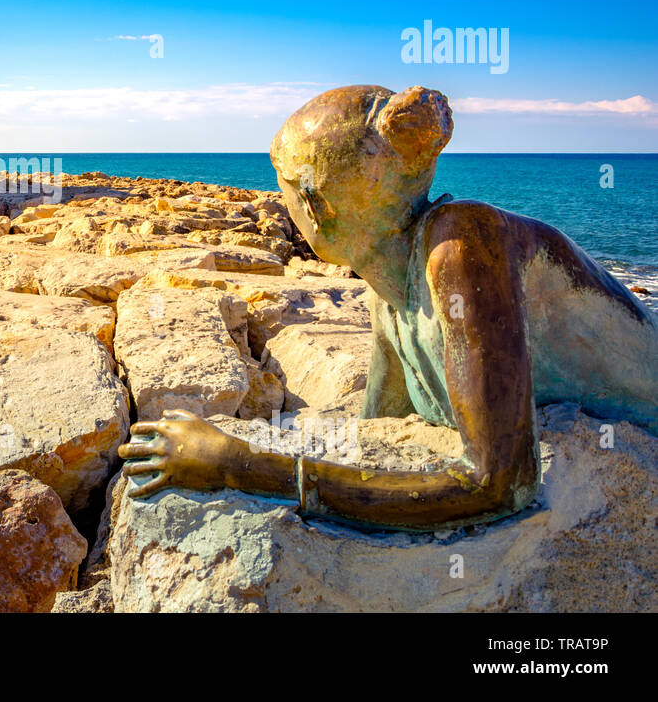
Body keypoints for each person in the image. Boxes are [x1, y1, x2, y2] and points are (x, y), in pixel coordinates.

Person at [119, 85, 658, 530]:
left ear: (314, 206)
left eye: (283, 191)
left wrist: (241, 466)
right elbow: (376, 431)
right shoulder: (390, 278)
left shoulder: (463, 244)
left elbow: (498, 485)